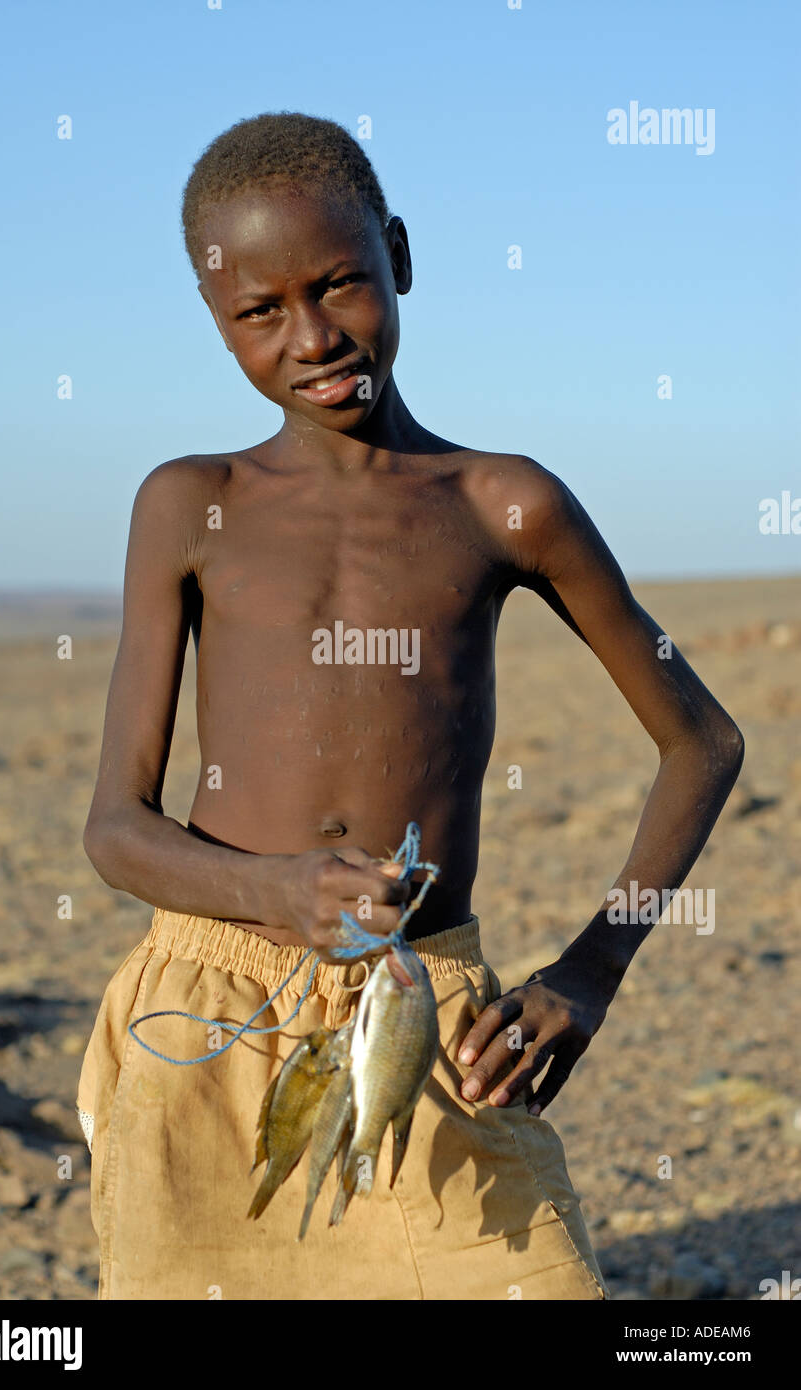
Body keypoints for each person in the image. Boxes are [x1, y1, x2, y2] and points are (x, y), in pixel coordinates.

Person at [77, 112, 743, 1300]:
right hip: (211, 1010)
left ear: (399, 253)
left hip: (424, 1010)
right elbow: (115, 831)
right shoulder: (188, 504)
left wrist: (589, 973)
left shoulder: (504, 502)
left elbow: (702, 740)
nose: (315, 335)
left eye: (341, 283)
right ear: (216, 319)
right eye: (261, 311)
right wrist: (272, 888)